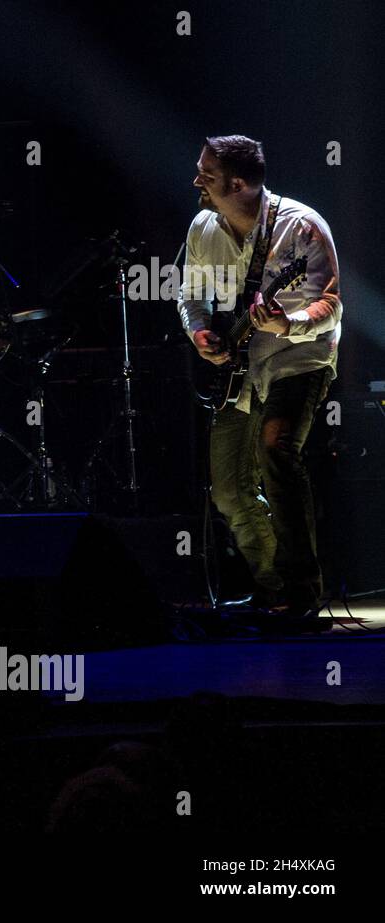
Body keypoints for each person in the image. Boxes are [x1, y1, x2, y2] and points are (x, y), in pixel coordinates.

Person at [176, 135, 342, 621]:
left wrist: (287, 324)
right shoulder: (204, 228)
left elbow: (331, 304)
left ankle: (304, 589)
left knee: (276, 448)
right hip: (240, 368)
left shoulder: (302, 226)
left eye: (206, 176)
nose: (196, 182)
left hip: (299, 356)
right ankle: (277, 589)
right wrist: (201, 331)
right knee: (227, 486)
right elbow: (192, 294)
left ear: (239, 183)